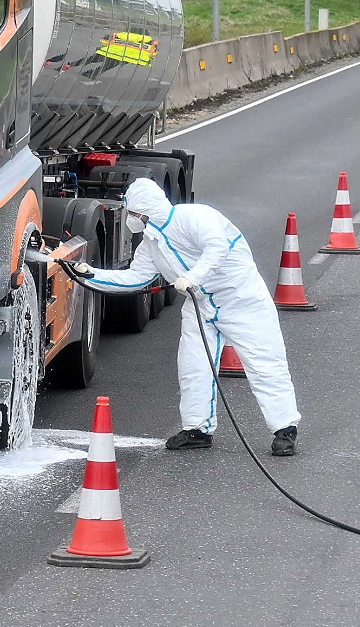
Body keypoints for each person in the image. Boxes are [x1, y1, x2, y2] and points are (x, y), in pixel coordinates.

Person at [62, 178, 302, 455]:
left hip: (240, 299)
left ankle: (285, 429)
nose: (131, 218)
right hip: (200, 304)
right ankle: (197, 429)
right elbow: (135, 278)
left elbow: (217, 247)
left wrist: (192, 276)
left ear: (144, 211)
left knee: (264, 362)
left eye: (133, 212)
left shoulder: (194, 217)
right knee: (194, 366)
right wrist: (91, 276)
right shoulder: (151, 242)